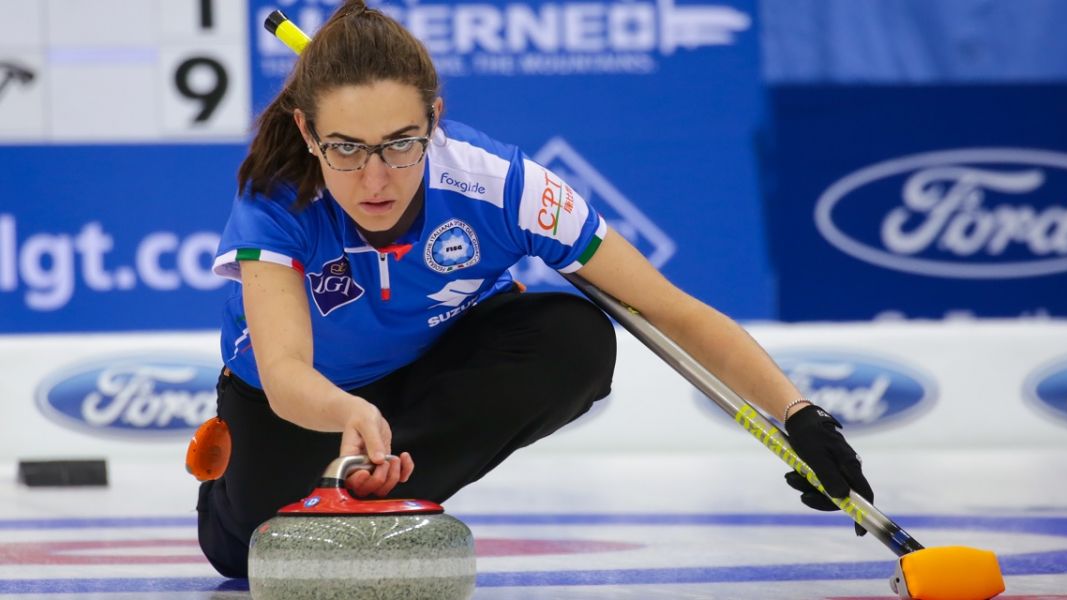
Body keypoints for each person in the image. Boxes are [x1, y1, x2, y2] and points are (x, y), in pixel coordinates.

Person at [195, 0, 874, 578]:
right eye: (347, 147)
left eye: (401, 143)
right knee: (249, 552)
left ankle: (381, 501)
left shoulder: (503, 187)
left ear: (434, 118)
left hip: (434, 368)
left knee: (573, 338)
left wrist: (798, 413)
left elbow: (670, 310)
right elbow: (285, 373)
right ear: (308, 132)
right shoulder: (279, 199)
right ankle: (270, 496)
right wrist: (353, 415)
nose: (376, 179)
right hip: (304, 399)